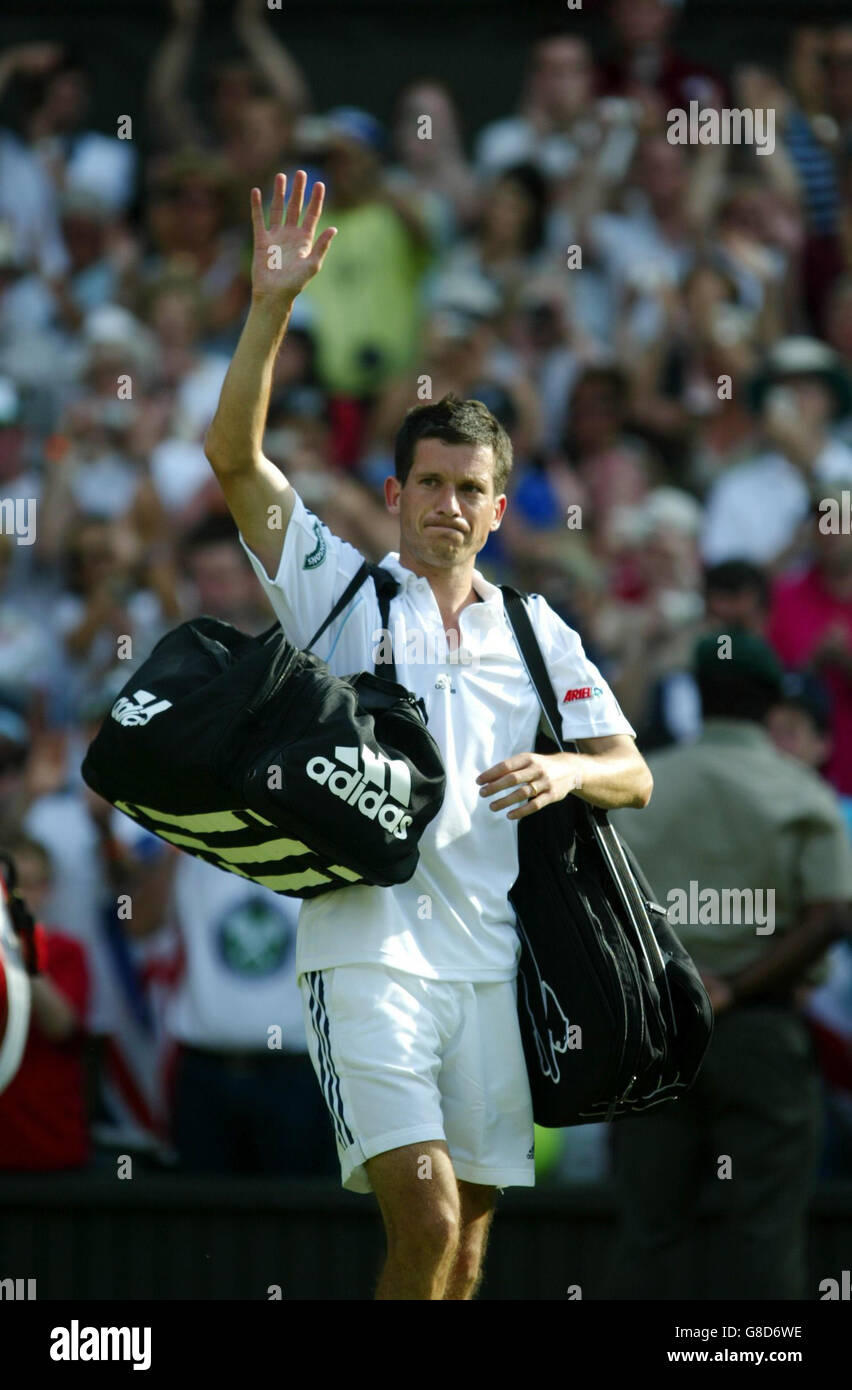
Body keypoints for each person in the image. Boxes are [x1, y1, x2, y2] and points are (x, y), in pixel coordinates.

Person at [203, 170, 652, 1300]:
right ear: (397, 494)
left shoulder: (543, 631)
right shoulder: (342, 596)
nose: (449, 503)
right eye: (430, 482)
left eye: (471, 488)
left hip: (494, 966)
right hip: (366, 954)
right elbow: (234, 463)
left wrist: (564, 768)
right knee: (428, 1210)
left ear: (502, 508)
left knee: (464, 1246)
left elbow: (633, 773)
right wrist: (272, 307)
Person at [609, 631, 852, 1300]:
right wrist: (736, 988)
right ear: (772, 704)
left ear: (699, 694)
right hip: (761, 1031)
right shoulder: (801, 793)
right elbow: (832, 915)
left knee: (649, 1234)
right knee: (764, 1237)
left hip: (660, 1032)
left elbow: (604, 907)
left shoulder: (646, 785)